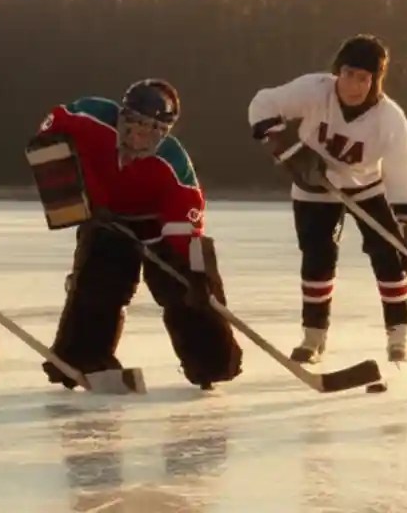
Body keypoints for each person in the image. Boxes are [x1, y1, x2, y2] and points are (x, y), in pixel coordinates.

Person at [25, 78, 243, 391]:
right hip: (105, 217)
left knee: (188, 289)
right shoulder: (91, 116)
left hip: (158, 224)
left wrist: (195, 274)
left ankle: (211, 363)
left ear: (165, 132)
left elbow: (184, 227)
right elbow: (48, 132)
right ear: (121, 115)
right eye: (135, 123)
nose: (140, 135)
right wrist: (84, 196)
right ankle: (82, 360)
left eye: (152, 129)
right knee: (98, 283)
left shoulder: (174, 164)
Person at [247, 34, 407, 364]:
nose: (353, 85)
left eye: (363, 78)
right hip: (313, 186)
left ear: (375, 81)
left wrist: (406, 226)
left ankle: (398, 333)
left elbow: (404, 169)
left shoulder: (389, 118)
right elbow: (262, 104)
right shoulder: (315, 89)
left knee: (389, 255)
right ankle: (313, 337)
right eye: (347, 74)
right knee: (317, 256)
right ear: (337, 72)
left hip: (365, 185)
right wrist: (289, 151)